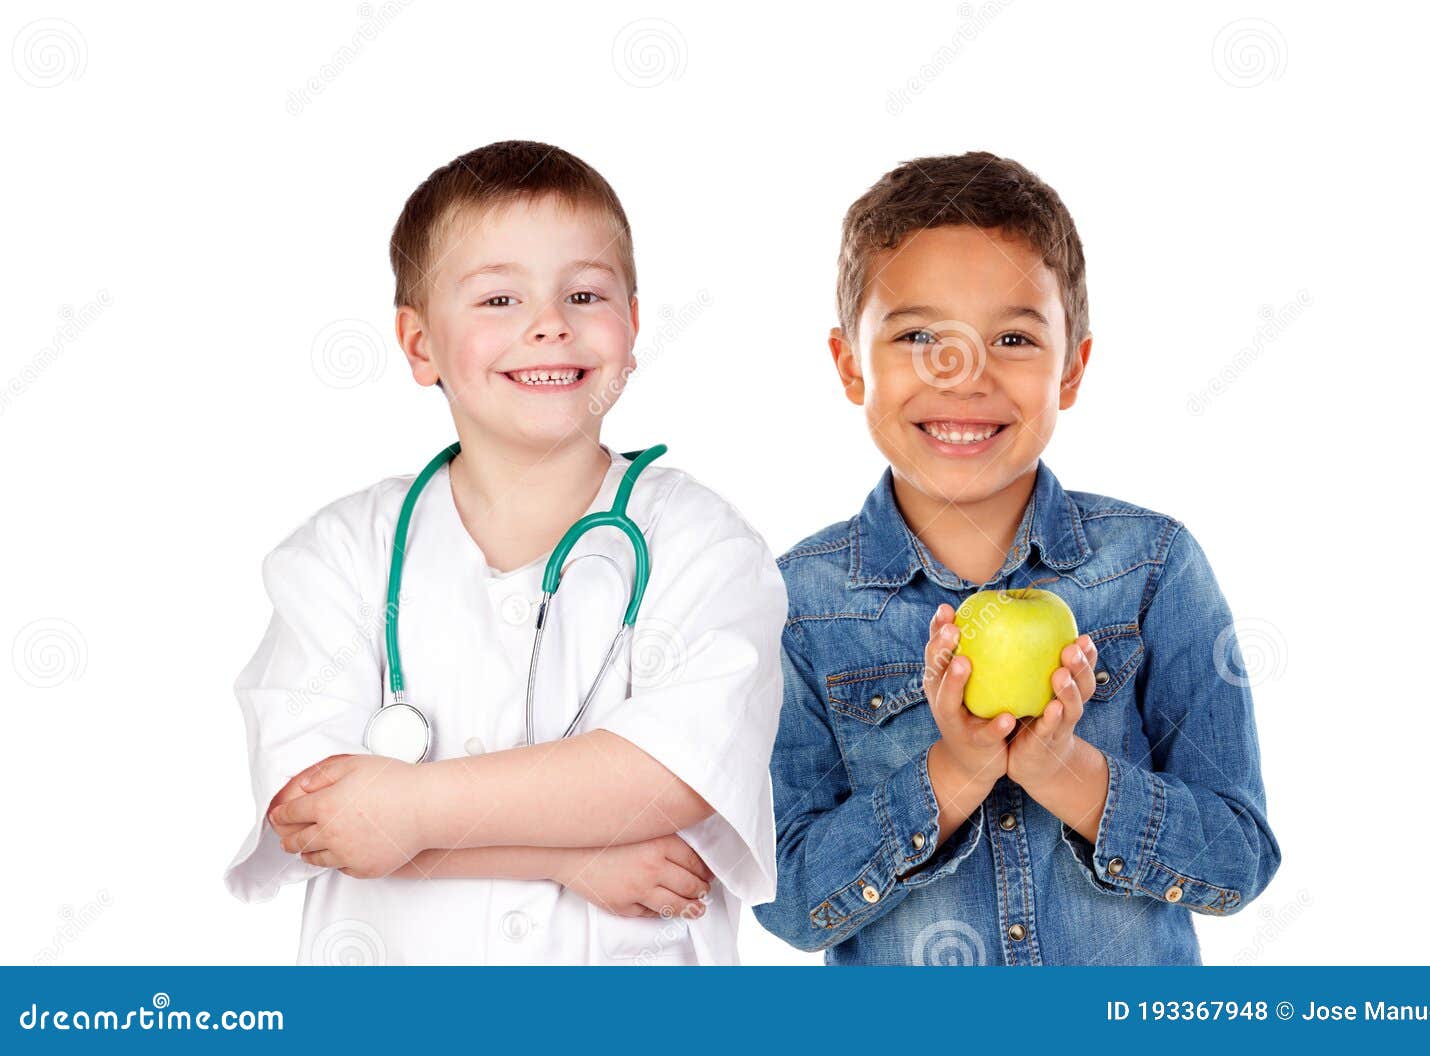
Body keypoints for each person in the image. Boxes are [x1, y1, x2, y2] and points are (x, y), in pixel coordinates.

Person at [224, 140, 785, 965]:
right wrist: (567, 854)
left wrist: (407, 812)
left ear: (632, 327)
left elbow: (666, 775)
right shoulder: (340, 555)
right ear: (419, 345)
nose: (548, 322)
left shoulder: (704, 545)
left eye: (584, 293)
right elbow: (316, 815)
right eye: (497, 299)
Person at [753, 151, 1281, 964]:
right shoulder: (799, 603)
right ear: (850, 364)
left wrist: (1069, 775)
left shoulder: (1151, 568)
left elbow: (1239, 859)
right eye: (919, 334)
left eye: (1013, 337)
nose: (964, 375)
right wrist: (950, 776)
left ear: (1072, 366)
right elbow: (789, 903)